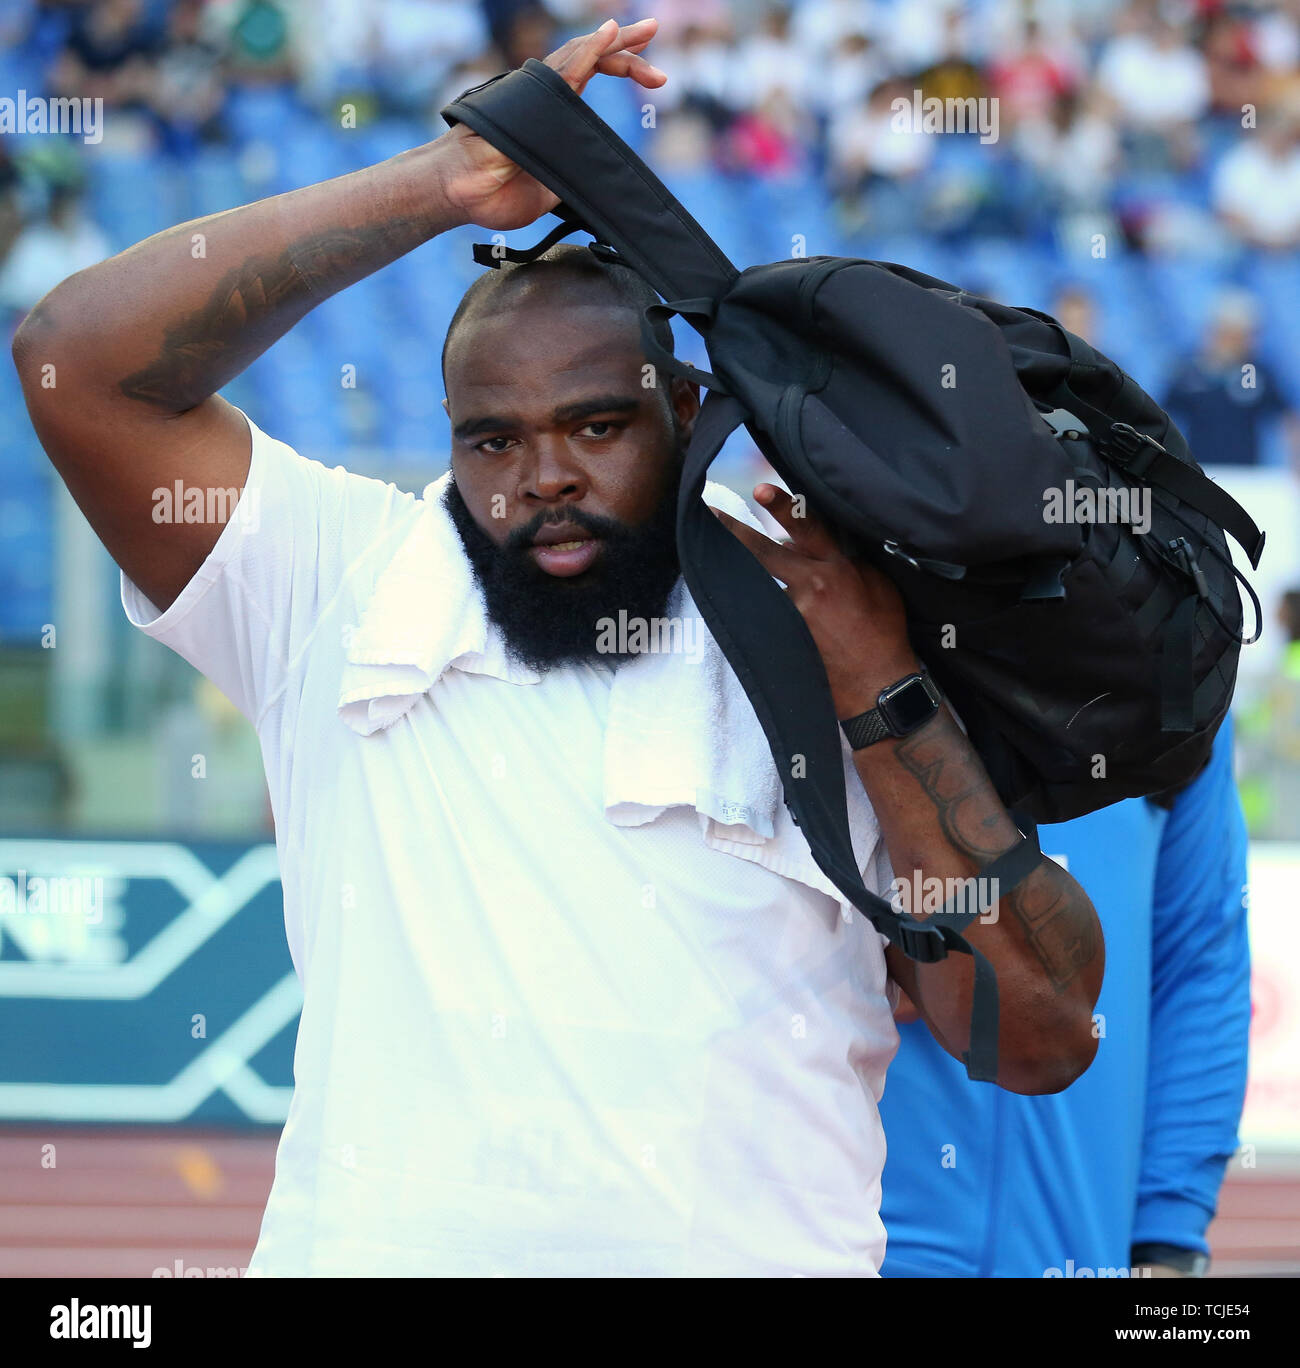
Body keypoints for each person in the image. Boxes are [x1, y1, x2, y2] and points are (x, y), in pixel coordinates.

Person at [13, 19, 1103, 1277]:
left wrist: (880, 692)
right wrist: (440, 186)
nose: (542, 480)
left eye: (595, 425)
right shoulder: (342, 585)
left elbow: (1036, 1040)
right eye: (492, 440)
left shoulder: (830, 639)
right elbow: (72, 366)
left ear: (684, 411)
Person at [879, 715, 1250, 1279]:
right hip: (848, 1243)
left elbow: (1198, 964)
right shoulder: (829, 633)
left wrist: (1167, 1242)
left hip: (1082, 1247)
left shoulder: (1177, 650)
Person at [1161, 289, 1299, 470]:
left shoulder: (1258, 372)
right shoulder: (1187, 370)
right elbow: (1162, 417)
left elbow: (1286, 420)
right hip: (1199, 471)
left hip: (1246, 476)